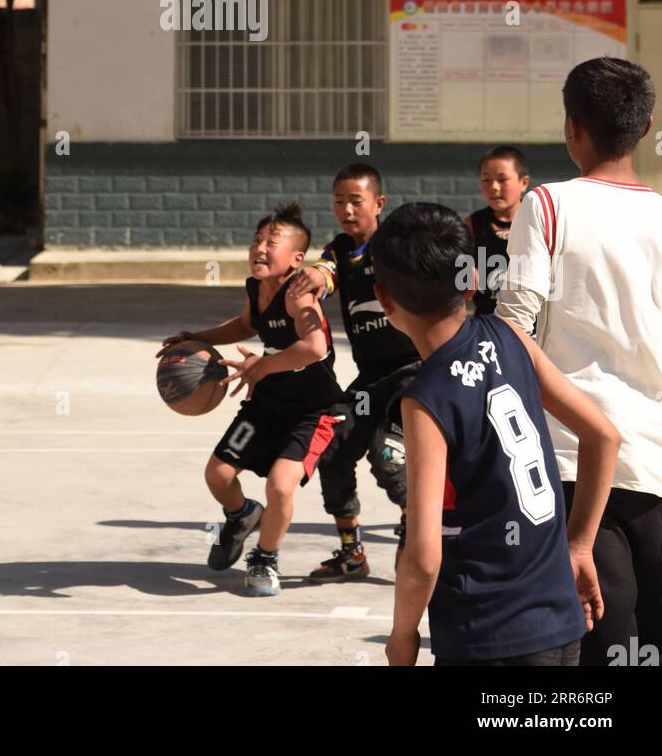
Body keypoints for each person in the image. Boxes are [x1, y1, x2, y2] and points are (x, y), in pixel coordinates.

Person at [370, 202, 620, 667]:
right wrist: (580, 544)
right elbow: (603, 435)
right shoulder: (510, 336)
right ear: (472, 281)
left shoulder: (425, 400)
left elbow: (424, 556)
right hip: (560, 623)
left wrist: (402, 637)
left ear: (385, 301)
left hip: (488, 634)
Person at [496, 56, 662, 666]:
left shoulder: (548, 204)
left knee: (597, 645)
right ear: (645, 128)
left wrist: (585, 421)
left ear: (571, 127)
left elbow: (513, 326)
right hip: (654, 463)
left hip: (574, 460)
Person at [157, 201, 348, 597]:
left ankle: (265, 559)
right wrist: (199, 338)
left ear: (296, 258)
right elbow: (246, 324)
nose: (260, 248)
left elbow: (314, 347)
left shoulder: (299, 295)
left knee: (280, 486)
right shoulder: (257, 288)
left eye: (271, 242)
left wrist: (265, 364)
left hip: (312, 411)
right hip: (268, 403)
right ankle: (242, 516)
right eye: (256, 240)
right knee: (218, 474)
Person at [287, 165, 420, 581]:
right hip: (369, 381)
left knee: (388, 457)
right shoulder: (339, 252)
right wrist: (311, 279)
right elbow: (324, 275)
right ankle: (352, 553)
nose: (346, 209)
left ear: (378, 204)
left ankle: (415, 534)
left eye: (355, 200)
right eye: (338, 200)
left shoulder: (397, 247)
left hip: (413, 375)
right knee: (334, 449)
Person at [463, 145, 530, 315]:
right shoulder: (473, 224)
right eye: (486, 179)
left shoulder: (537, 222)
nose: (494, 187)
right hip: (488, 321)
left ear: (524, 182)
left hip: (532, 324)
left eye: (502, 179)